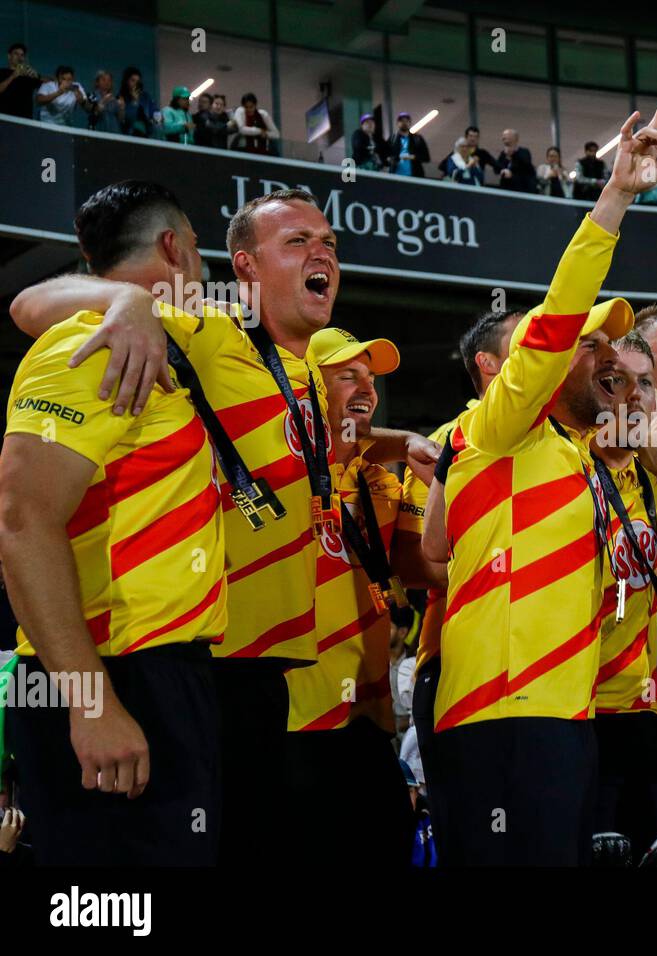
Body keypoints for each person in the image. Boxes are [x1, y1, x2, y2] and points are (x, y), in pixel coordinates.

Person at [9, 187, 438, 865]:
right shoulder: (198, 327)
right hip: (171, 665)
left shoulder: (291, 373)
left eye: (328, 242)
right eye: (297, 242)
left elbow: (320, 446)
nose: (321, 252)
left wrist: (396, 441)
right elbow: (30, 306)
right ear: (235, 266)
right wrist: (126, 301)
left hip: (244, 673)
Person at [423, 105, 657, 866]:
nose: (609, 354)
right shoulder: (503, 429)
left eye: (614, 344)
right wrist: (617, 201)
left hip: (566, 715)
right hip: (498, 711)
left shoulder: (581, 460)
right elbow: (558, 315)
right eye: (591, 343)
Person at [0, 182, 223, 865]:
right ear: (173, 247)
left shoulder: (165, 340)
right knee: (103, 910)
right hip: (113, 674)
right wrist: (91, 701)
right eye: (200, 253)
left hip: (163, 671)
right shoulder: (94, 345)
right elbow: (19, 520)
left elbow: (28, 300)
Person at [282, 327, 415, 868]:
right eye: (346, 375)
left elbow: (429, 566)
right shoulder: (286, 469)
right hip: (293, 718)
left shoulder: (380, 484)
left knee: (388, 840)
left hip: (367, 717)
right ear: (311, 386)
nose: (366, 387)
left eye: (370, 377)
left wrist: (413, 452)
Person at [398, 308, 526, 841]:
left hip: (560, 674)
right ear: (489, 364)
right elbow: (423, 564)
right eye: (529, 344)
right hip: (459, 669)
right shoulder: (445, 444)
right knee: (476, 839)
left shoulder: (567, 436)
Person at [590, 331, 657, 858]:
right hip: (580, 708)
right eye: (619, 380)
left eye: (645, 382)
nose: (636, 395)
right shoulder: (567, 465)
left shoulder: (655, 477)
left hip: (647, 705)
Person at [0, 42, 40, 119]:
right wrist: (12, 76)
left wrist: (37, 75)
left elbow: (51, 83)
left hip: (25, 120)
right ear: (9, 56)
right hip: (4, 118)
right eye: (16, 54)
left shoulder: (29, 76)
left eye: (22, 55)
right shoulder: (1, 72)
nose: (19, 57)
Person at [387, 112, 429, 178]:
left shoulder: (417, 138)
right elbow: (386, 155)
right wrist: (390, 159)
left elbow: (426, 158)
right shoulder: (392, 139)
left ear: (410, 123)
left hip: (415, 175)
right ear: (397, 123)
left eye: (407, 121)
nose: (404, 123)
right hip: (395, 175)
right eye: (402, 121)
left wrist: (412, 157)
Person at [495, 128, 536, 193]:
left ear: (515, 138)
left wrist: (513, 154)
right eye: (503, 136)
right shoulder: (503, 154)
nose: (503, 138)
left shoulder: (524, 152)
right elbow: (496, 169)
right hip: (506, 189)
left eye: (506, 136)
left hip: (521, 189)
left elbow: (526, 166)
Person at [87, 70, 123, 134]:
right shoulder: (91, 96)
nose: (107, 82)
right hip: (97, 132)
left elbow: (120, 119)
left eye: (109, 80)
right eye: (103, 80)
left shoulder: (116, 98)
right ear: (97, 82)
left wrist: (122, 108)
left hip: (113, 133)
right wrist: (103, 101)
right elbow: (93, 113)